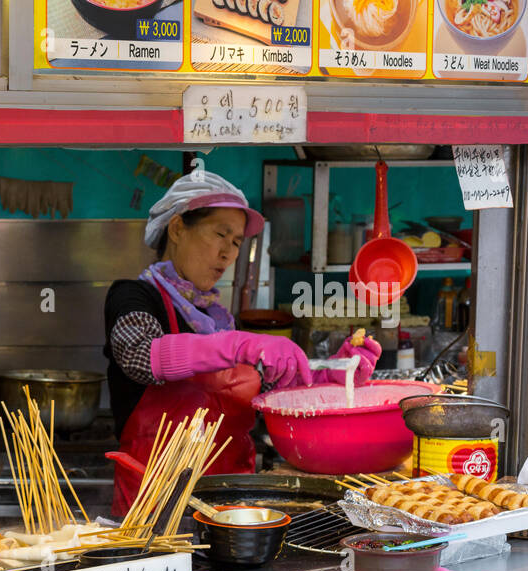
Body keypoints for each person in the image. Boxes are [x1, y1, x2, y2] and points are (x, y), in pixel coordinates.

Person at [103, 171, 382, 512]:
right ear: (177, 228)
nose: (228, 253)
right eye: (221, 234)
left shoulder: (219, 319)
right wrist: (238, 344)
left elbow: (274, 392)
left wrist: (332, 376)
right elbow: (140, 356)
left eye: (236, 242)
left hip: (232, 508)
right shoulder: (134, 297)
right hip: (153, 513)